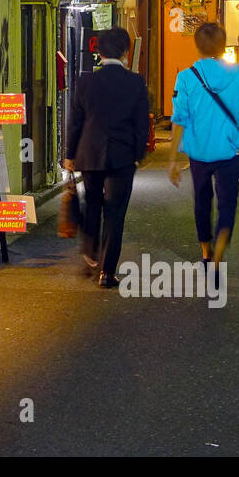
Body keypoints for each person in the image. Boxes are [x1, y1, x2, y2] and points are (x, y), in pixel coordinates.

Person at [63, 27, 150, 288]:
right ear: (125, 52)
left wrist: (70, 155)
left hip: (89, 153)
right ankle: (107, 271)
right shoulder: (135, 82)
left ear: (98, 52)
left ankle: (90, 251)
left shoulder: (86, 82)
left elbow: (76, 121)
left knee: (92, 202)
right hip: (121, 155)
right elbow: (140, 124)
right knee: (115, 212)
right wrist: (137, 154)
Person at [167, 22, 239, 265]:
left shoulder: (185, 77)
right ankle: (222, 241)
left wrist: (173, 159)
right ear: (223, 45)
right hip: (229, 149)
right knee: (228, 201)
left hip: (199, 150)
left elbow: (179, 119)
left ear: (197, 46)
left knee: (202, 199)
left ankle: (205, 251)